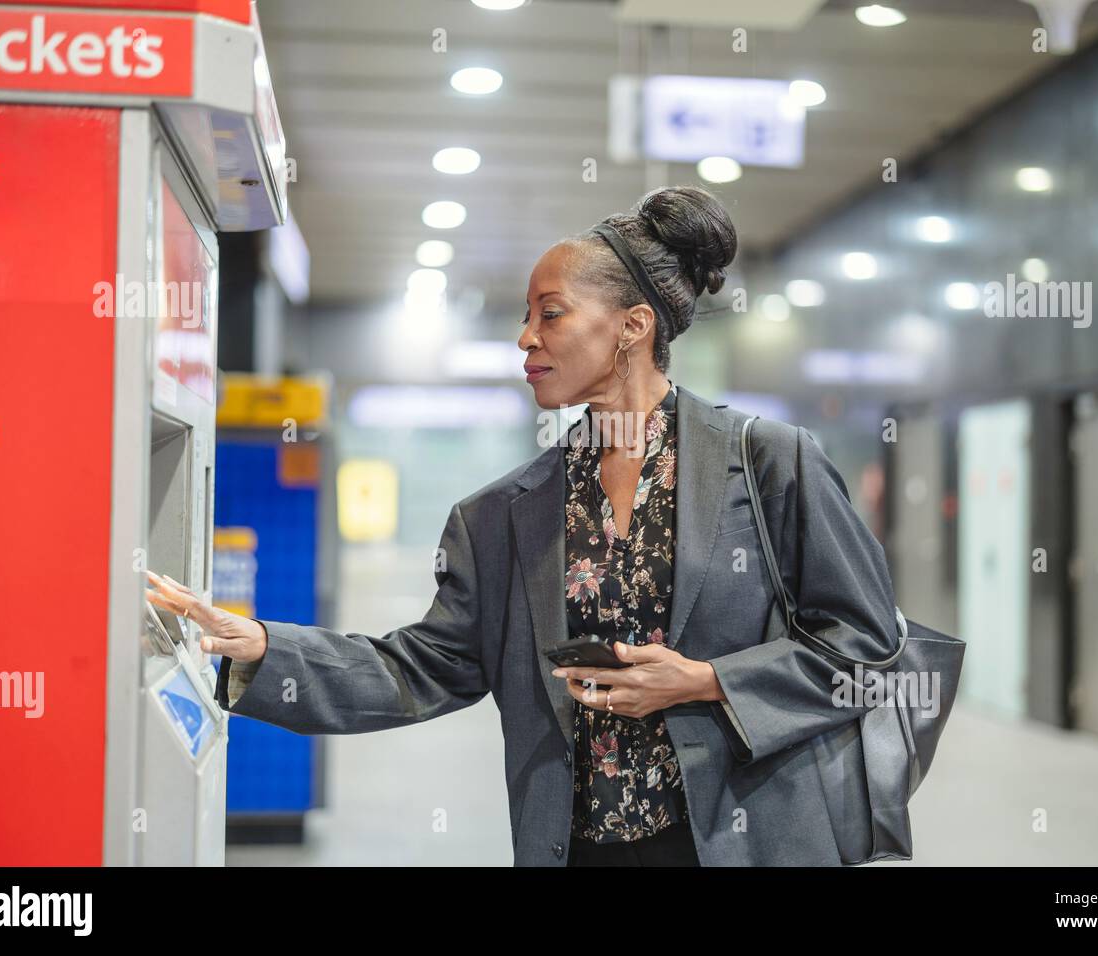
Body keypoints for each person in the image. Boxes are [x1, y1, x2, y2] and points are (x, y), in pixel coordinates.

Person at [147, 185, 905, 866]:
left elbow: (868, 650)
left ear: (632, 327)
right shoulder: (504, 514)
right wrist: (262, 651)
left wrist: (705, 682)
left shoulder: (769, 463)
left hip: (746, 841)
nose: (525, 338)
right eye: (524, 316)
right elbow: (425, 666)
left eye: (551, 313)